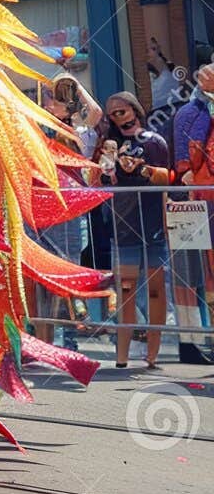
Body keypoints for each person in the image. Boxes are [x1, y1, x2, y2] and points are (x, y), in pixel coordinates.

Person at [96, 92, 174, 369]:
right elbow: (100, 179)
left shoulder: (154, 141)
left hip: (152, 224)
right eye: (112, 114)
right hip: (124, 225)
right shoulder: (109, 145)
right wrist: (108, 171)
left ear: (134, 110)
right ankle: (122, 355)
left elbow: (168, 177)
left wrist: (144, 170)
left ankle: (152, 354)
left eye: (122, 111)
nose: (118, 117)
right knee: (126, 289)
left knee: (155, 290)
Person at [34, 70, 103, 349]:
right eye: (50, 98)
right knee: (42, 279)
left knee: (68, 275)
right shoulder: (39, 132)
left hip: (72, 215)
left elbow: (96, 112)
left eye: (59, 100)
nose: (51, 103)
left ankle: (69, 341)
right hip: (43, 213)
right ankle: (44, 344)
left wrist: (73, 82)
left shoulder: (80, 135)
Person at [172, 61, 214, 364]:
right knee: (206, 274)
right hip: (204, 200)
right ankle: (199, 339)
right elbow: (185, 169)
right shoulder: (189, 114)